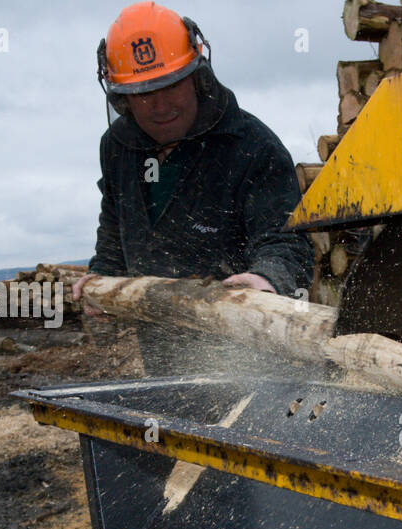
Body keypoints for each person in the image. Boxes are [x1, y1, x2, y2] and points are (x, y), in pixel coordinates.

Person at [72, 2, 313, 375]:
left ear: (197, 77)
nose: (161, 105)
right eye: (143, 93)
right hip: (158, 341)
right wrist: (102, 275)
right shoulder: (118, 147)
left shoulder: (250, 145)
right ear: (121, 97)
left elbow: (286, 240)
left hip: (246, 349)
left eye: (172, 86)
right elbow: (115, 224)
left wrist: (267, 277)